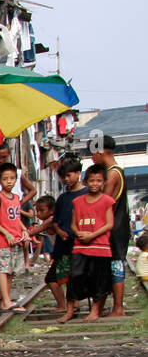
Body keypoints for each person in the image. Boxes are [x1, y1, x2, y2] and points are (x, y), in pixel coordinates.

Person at [67, 166, 116, 322]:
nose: (95, 184)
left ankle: (95, 310)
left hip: (100, 246)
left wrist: (92, 235)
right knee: (75, 276)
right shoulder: (77, 201)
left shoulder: (107, 201)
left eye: (99, 181)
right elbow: (73, 224)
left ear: (103, 182)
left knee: (99, 279)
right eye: (92, 180)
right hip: (80, 245)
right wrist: (78, 233)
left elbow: (109, 224)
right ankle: (70, 310)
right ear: (86, 181)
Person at [90, 135, 130, 316]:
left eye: (93, 153)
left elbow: (102, 203)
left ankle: (119, 307)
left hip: (113, 228)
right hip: (119, 226)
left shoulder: (112, 173)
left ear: (100, 151)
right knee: (114, 264)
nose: (92, 158)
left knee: (115, 265)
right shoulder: (118, 170)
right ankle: (113, 306)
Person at [0, 162, 30, 313]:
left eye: (12, 178)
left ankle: (4, 300)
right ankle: (6, 301)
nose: (9, 181)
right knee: (3, 271)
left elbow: (16, 218)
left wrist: (24, 230)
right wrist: (6, 233)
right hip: (3, 240)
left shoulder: (16, 197)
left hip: (16, 239)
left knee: (10, 271)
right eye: (5, 179)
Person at [49, 157, 85, 323]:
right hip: (63, 243)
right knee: (57, 276)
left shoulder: (86, 194)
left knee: (75, 275)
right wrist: (59, 231)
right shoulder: (63, 198)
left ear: (78, 173)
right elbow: (55, 221)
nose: (66, 179)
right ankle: (66, 305)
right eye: (63, 176)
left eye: (68, 175)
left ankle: (73, 304)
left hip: (80, 242)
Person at [25, 194, 62, 310]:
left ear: (52, 210)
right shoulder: (51, 219)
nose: (38, 213)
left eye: (41, 210)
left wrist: (21, 235)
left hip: (62, 253)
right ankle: (69, 304)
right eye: (37, 210)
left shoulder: (51, 220)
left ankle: (62, 305)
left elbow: (34, 232)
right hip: (60, 254)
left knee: (51, 279)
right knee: (62, 279)